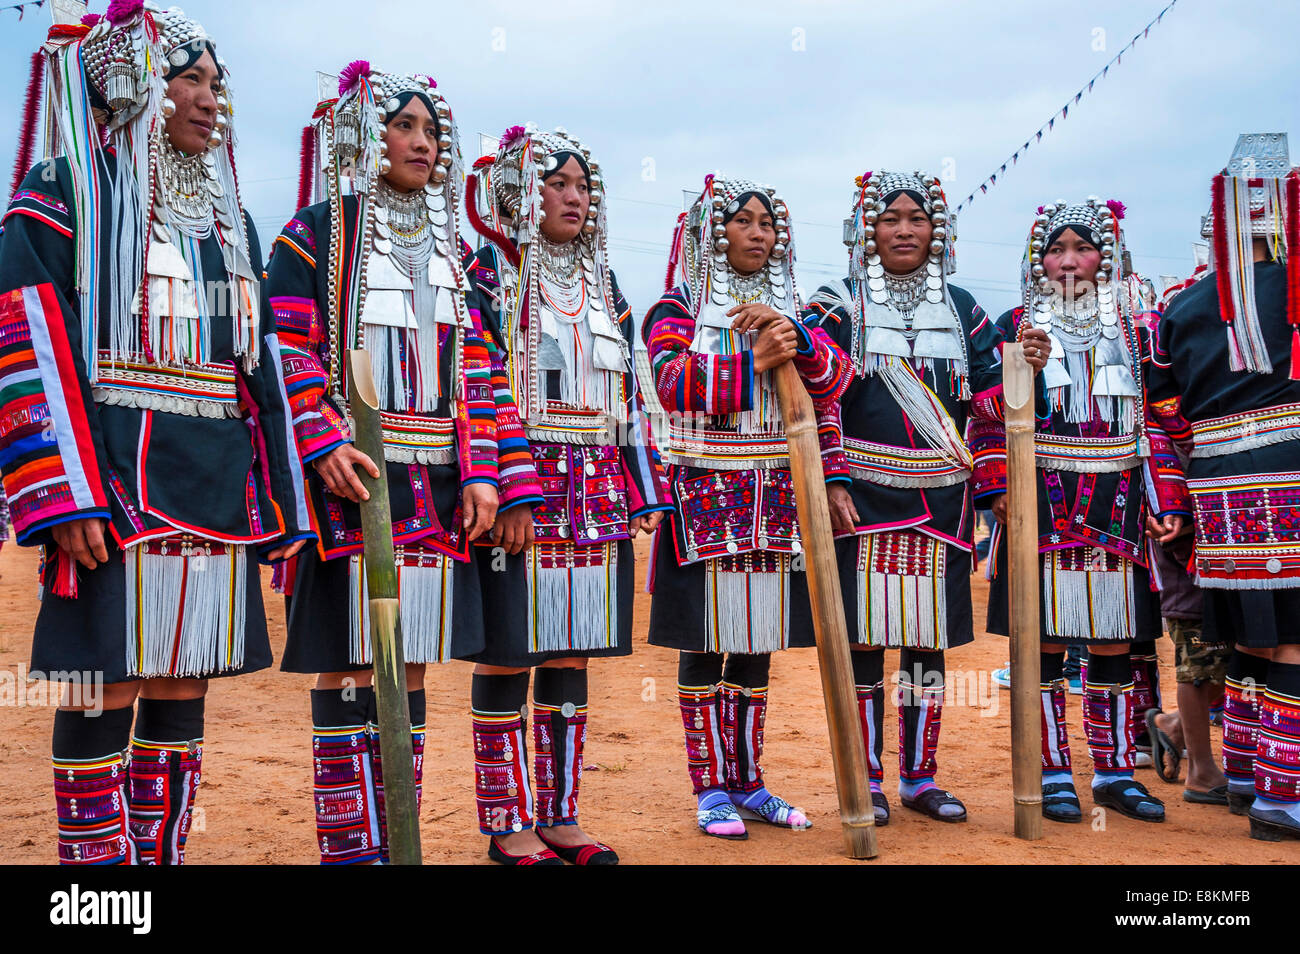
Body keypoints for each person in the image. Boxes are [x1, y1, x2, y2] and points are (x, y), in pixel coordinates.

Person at [0, 2, 311, 864]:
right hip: (110, 482)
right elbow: (29, 339)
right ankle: (100, 882)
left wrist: (283, 501)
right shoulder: (64, 194)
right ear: (135, 85)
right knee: (105, 681)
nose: (215, 100)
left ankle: (158, 862)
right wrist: (63, 492)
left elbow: (263, 377)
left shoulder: (231, 226)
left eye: (221, 85)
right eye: (194, 80)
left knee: (181, 676)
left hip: (210, 483)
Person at [265, 63, 521, 864]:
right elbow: (284, 346)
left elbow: (481, 369)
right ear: (362, 136)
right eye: (403, 126)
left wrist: (487, 473)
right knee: (348, 661)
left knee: (407, 663)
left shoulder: (455, 256)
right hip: (355, 479)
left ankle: (396, 837)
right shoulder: (315, 233)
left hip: (438, 484)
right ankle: (351, 848)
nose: (420, 142)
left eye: (431, 131)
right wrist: (321, 436)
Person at [803, 170, 1045, 825]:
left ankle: (919, 777)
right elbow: (811, 392)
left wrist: (1028, 365)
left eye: (918, 219)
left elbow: (993, 408)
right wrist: (831, 480)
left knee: (924, 643)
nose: (905, 230)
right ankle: (866, 779)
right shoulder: (837, 304)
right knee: (860, 642)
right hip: (864, 497)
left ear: (937, 231)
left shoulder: (962, 308)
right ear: (866, 231)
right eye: (891, 219)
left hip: (943, 503)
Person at [462, 125, 671, 865]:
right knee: (509, 654)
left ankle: (561, 814)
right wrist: (508, 485)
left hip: (597, 495)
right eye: (558, 183)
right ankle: (505, 821)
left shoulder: (605, 285)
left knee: (571, 658)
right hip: (524, 493)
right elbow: (478, 386)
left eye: (584, 186)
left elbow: (633, 396)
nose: (575, 197)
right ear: (521, 192)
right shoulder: (486, 276)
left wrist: (646, 487)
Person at [642, 174, 850, 840]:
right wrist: (753, 359)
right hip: (703, 495)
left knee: (758, 646)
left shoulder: (795, 310)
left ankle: (747, 780)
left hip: (776, 499)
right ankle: (709, 789)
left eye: (767, 223)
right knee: (705, 643)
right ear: (714, 231)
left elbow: (836, 382)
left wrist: (799, 341)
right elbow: (670, 383)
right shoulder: (676, 306)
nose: (758, 233)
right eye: (743, 221)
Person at [971, 197, 1190, 824]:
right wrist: (1002, 493)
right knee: (1040, 643)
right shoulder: (1015, 326)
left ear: (1107, 257)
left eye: (1083, 249)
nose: (1069, 262)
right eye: (1056, 250)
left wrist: (1167, 497)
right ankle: (1053, 770)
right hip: (1044, 500)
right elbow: (985, 416)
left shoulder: (1139, 330)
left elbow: (1163, 417)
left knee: (1115, 640)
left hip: (1119, 501)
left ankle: (1116, 771)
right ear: (1039, 261)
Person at [1147, 133, 1300, 841]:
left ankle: (1243, 777)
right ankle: (1281, 795)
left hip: (1218, 494)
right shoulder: (1291, 286)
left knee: (1247, 640)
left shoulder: (1178, 308)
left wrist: (1178, 493)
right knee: (1291, 641)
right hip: (1287, 482)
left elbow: (1161, 413)